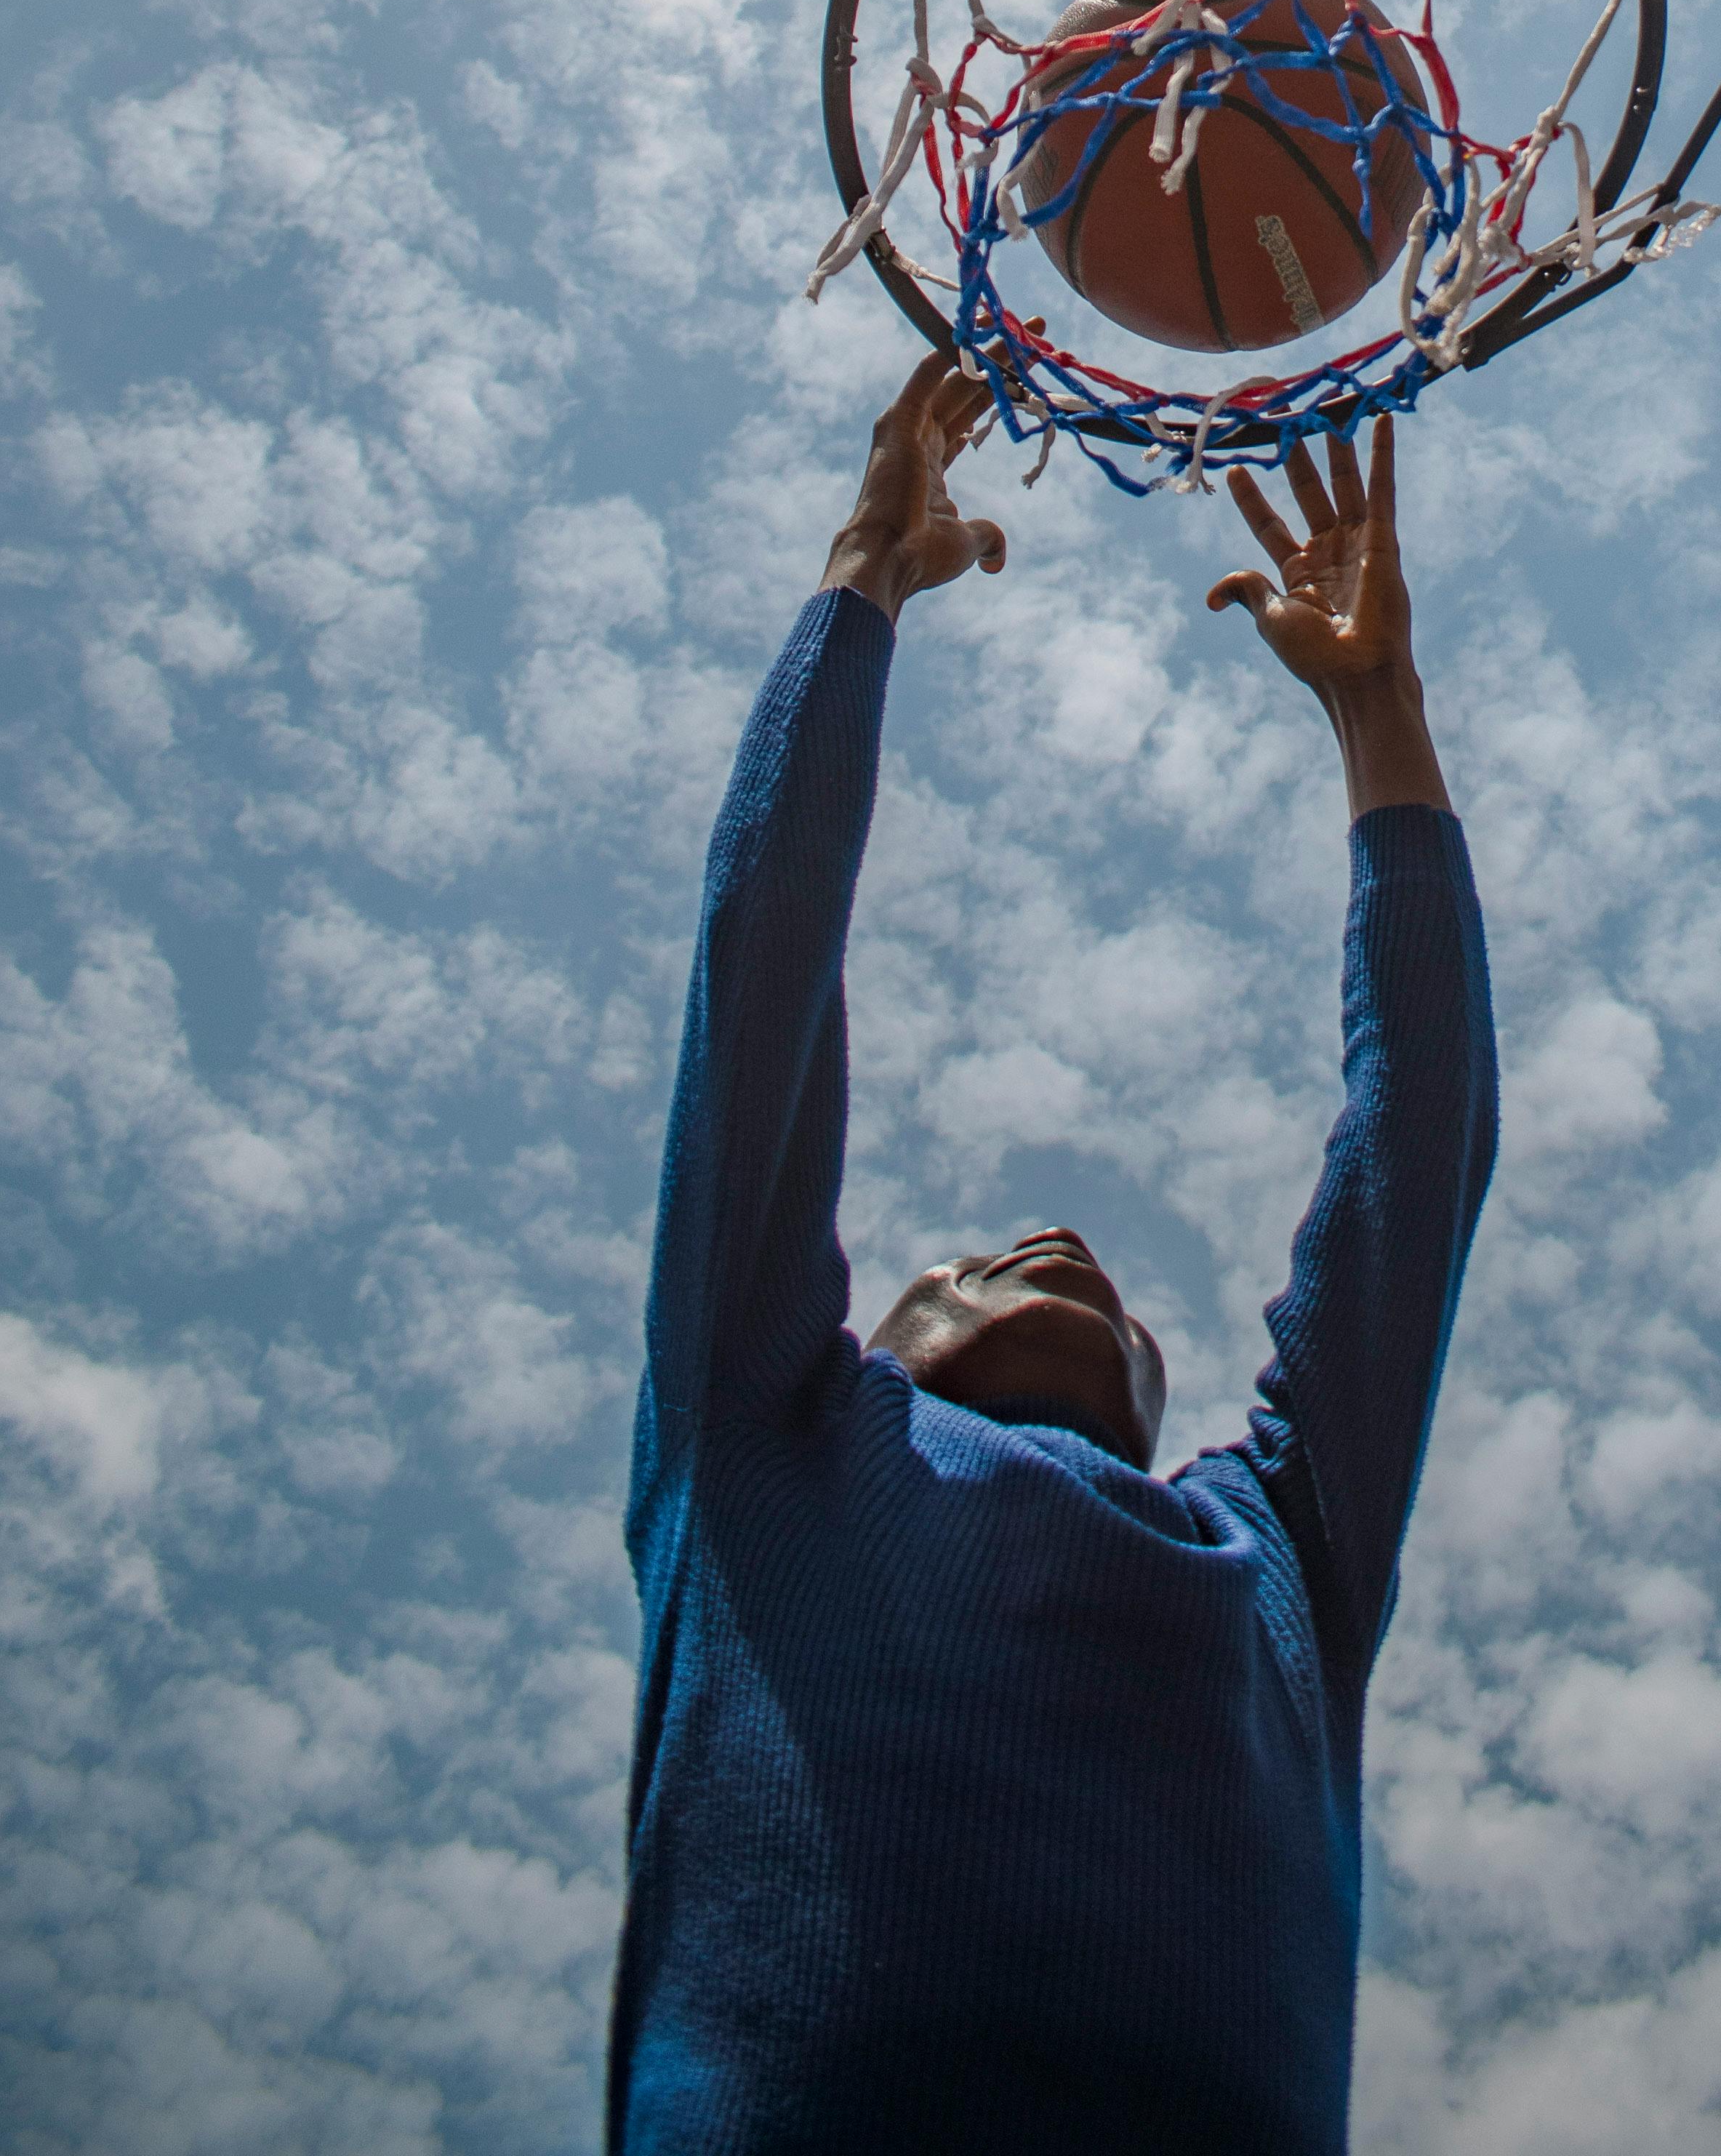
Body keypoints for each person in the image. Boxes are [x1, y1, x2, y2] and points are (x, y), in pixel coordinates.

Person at [606, 355, 1498, 2155]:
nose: (1052, 1240)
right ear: (877, 1336)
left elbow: (1419, 1150)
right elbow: (760, 967)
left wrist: (1380, 714)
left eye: (1076, 1269)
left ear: (1169, 1404)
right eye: (971, 1261)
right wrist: (864, 567)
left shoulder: (1269, 1551)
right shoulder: (765, 1435)